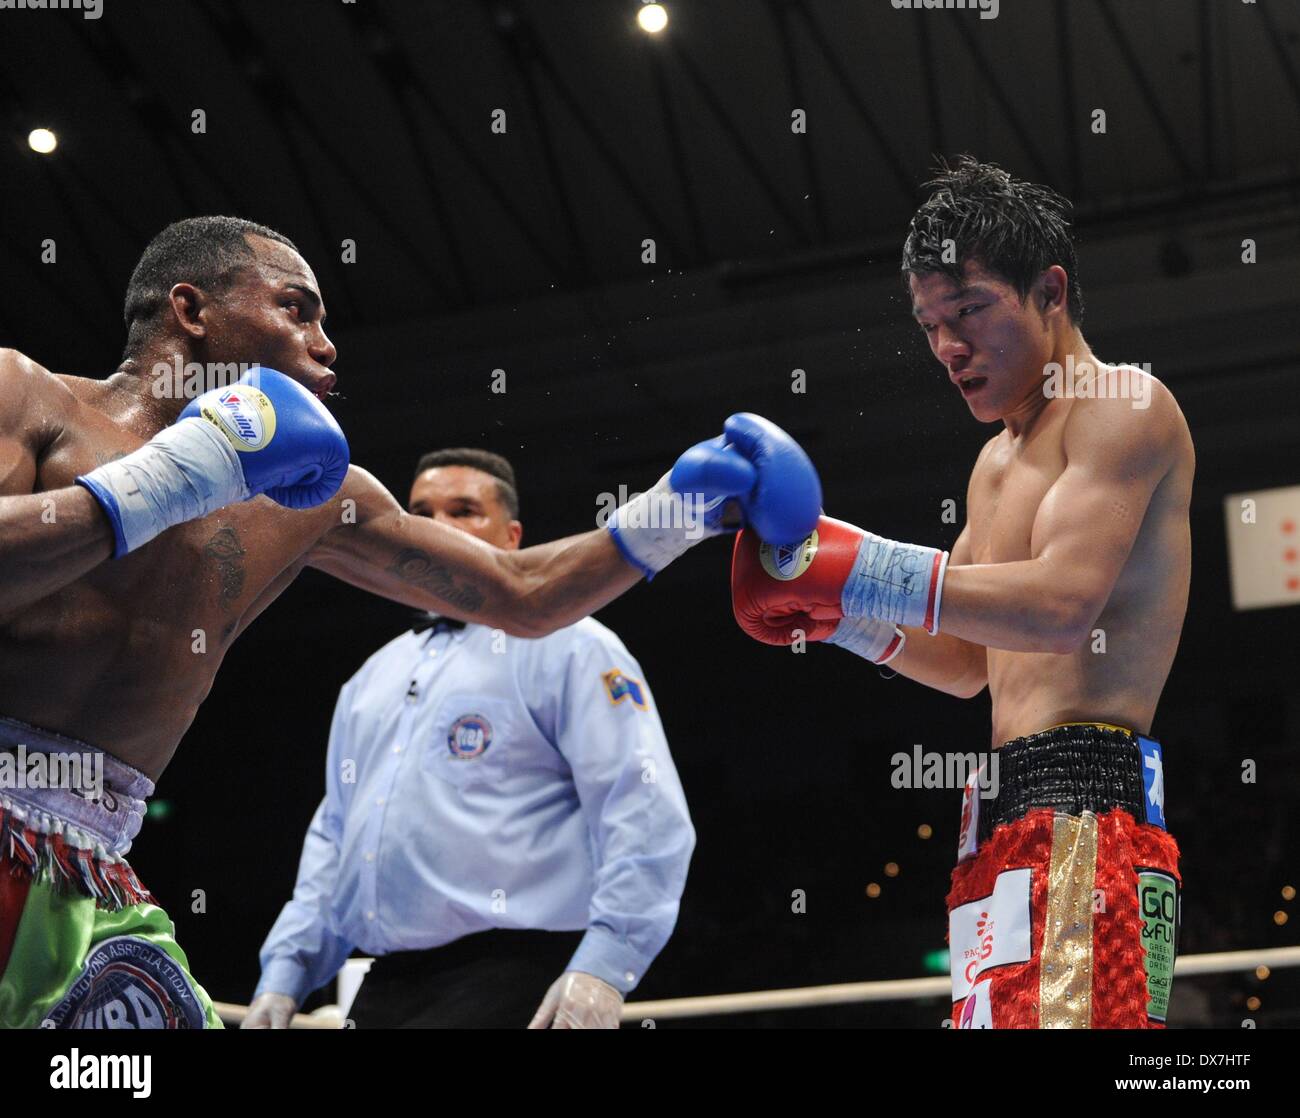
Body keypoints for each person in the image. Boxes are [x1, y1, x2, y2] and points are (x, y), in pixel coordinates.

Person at [0, 216, 819, 1029]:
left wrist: (677, 511)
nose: (326, 344)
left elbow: (519, 592)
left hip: (88, 876)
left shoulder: (310, 500)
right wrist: (179, 476)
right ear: (191, 309)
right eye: (296, 309)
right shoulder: (27, 395)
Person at [731, 158, 1193, 1029]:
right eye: (930, 324)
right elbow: (965, 664)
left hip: (1088, 815)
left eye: (971, 310)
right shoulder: (994, 462)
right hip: (996, 823)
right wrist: (837, 618)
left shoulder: (1123, 405)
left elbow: (1061, 609)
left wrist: (854, 566)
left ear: (1050, 291)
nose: (949, 346)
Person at [244, 449, 693, 1029]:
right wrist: (286, 974)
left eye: (464, 510)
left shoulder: (574, 644)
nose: (439, 527)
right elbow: (336, 836)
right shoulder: (371, 678)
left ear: (512, 537)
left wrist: (608, 963)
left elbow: (643, 807)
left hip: (516, 972)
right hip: (387, 981)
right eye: (422, 512)